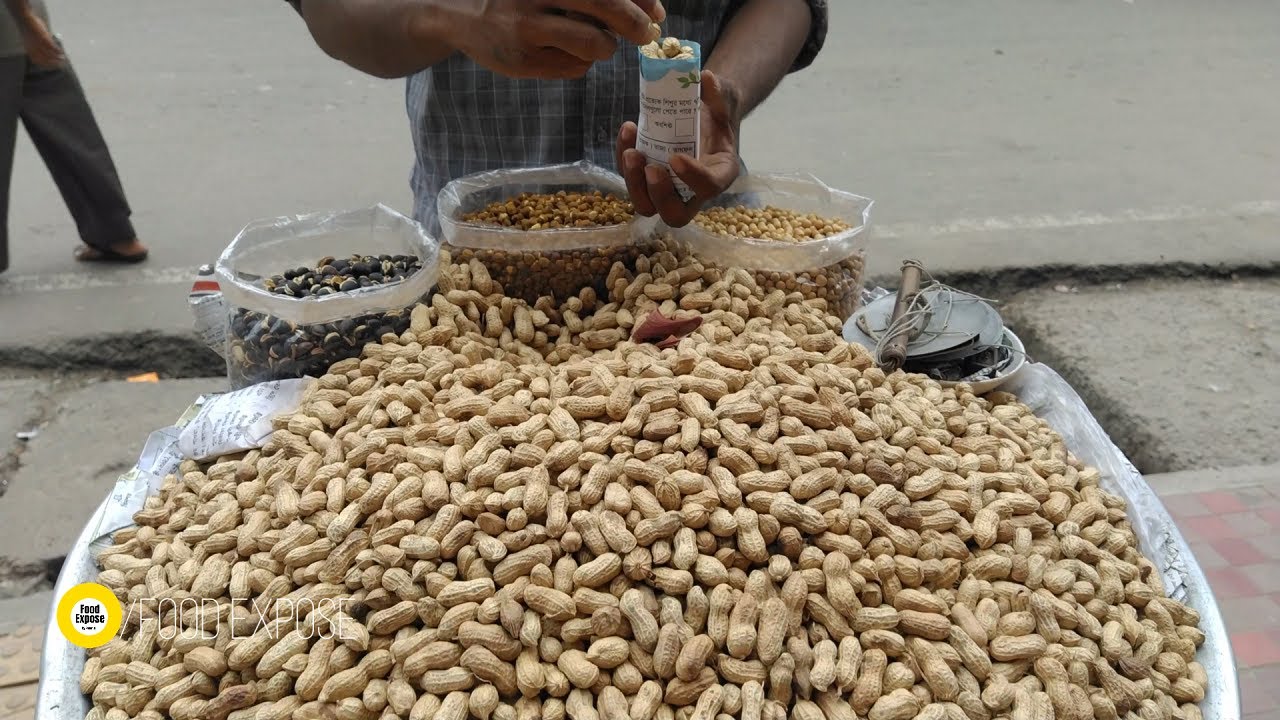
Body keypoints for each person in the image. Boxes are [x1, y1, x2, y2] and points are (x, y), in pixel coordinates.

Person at [287, 0, 827, 233]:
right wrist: (457, 14)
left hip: (696, 238)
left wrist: (721, 96)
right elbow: (330, 11)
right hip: (478, 256)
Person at [0, 0, 148, 274]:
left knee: (72, 135)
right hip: (33, 28)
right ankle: (114, 235)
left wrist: (25, 22)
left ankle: (113, 234)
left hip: (19, 25)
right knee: (73, 137)